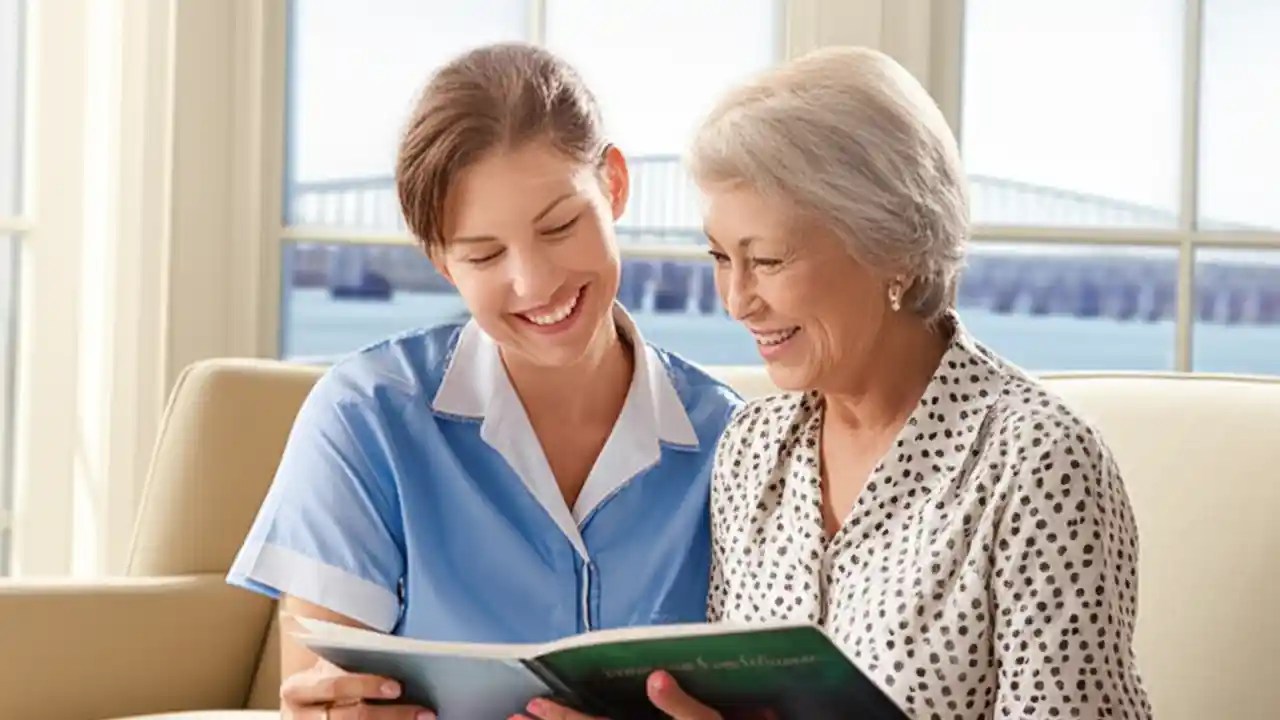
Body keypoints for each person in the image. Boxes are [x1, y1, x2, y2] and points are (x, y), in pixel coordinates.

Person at [522, 47, 1152, 720]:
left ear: (895, 248)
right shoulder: (751, 447)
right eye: (720, 257)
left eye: (768, 260)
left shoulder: (1036, 462)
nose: (736, 301)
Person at [226, 43, 741, 719]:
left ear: (614, 184)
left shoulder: (735, 440)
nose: (535, 282)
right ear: (442, 263)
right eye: (484, 254)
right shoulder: (365, 418)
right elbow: (322, 689)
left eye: (560, 226)